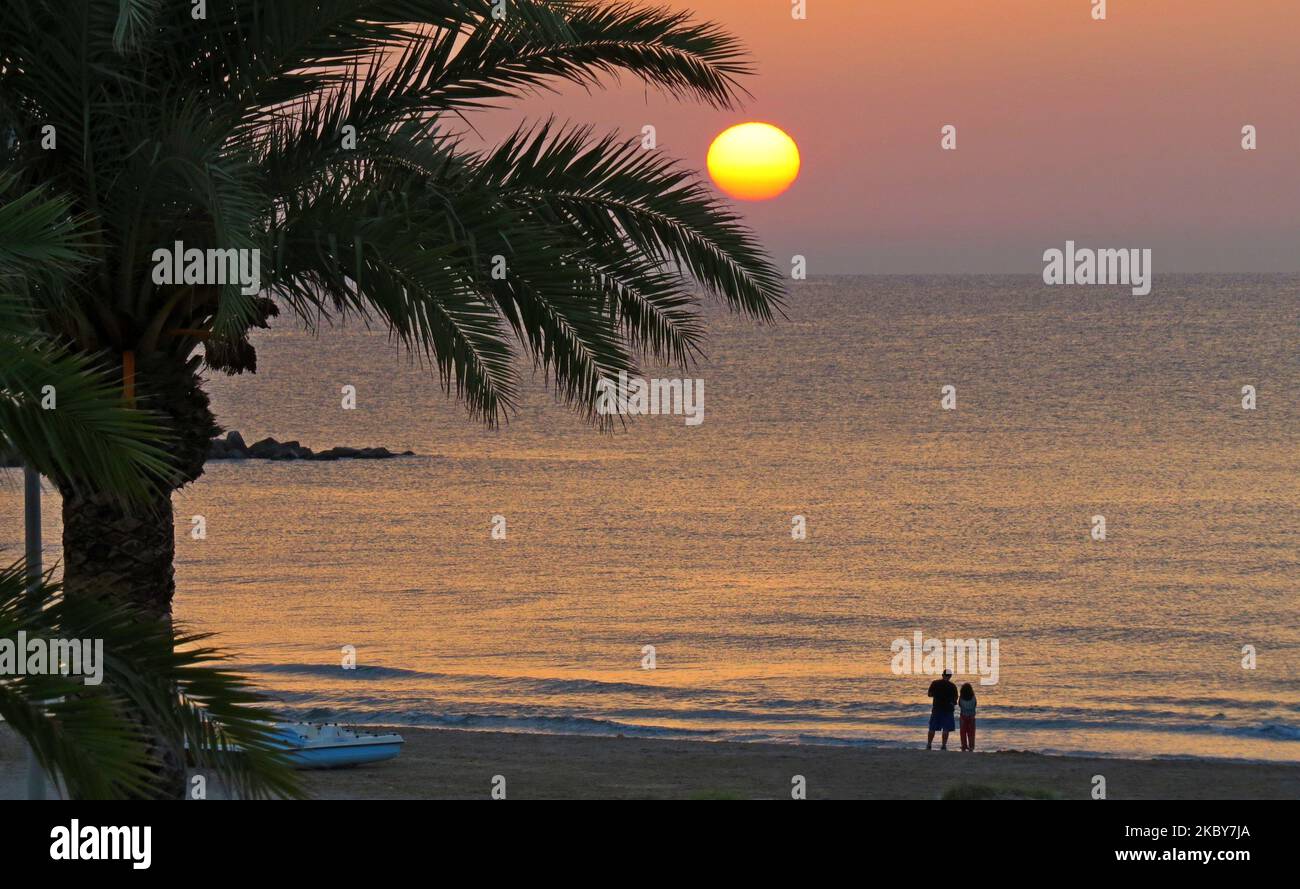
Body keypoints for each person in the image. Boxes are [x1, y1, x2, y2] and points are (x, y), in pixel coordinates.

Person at [926, 668, 959, 749]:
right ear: (950, 676)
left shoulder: (935, 683)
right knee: (946, 728)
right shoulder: (952, 686)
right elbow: (955, 700)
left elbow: (929, 694)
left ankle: (929, 744)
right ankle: (943, 745)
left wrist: (937, 694)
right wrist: (951, 702)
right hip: (948, 709)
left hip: (937, 708)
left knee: (932, 727)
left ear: (942, 675)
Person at [958, 682, 977, 751]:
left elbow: (959, 705)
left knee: (963, 732)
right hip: (971, 717)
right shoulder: (973, 697)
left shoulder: (961, 698)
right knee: (971, 732)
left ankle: (964, 745)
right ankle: (971, 746)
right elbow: (975, 705)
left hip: (963, 716)